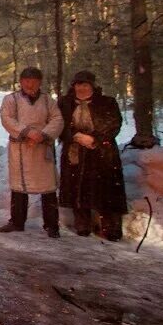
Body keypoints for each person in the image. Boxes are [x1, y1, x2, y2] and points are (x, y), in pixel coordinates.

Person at [57, 70, 127, 241]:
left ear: (93, 86)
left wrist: (95, 138)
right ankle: (83, 223)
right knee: (78, 189)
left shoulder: (107, 102)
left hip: (102, 152)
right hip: (75, 152)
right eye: (78, 85)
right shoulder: (65, 103)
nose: (82, 88)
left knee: (106, 189)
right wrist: (74, 135)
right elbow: (57, 123)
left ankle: (111, 227)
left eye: (86, 85)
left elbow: (114, 123)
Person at [0, 67, 64, 237]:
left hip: (42, 147)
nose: (30, 84)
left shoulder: (48, 100)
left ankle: (51, 224)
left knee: (48, 187)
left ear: (40, 82)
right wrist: (27, 132)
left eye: (34, 80)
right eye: (26, 80)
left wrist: (43, 135)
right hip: (21, 147)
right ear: (21, 82)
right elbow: (7, 118)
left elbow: (57, 119)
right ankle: (17, 221)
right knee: (19, 186)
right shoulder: (11, 99)